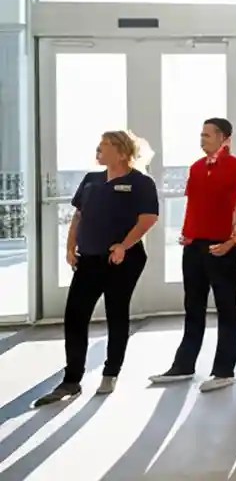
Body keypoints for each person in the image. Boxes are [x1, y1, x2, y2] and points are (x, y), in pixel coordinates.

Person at [35, 131, 159, 406]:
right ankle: (72, 379)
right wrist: (69, 248)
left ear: (121, 151)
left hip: (123, 258)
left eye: (104, 146)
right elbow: (78, 216)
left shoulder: (140, 182)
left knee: (116, 312)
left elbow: (148, 219)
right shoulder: (91, 180)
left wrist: (123, 246)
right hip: (88, 259)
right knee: (75, 315)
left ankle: (111, 371)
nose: (98, 150)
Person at [149, 118, 236, 392]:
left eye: (207, 135)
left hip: (222, 246)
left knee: (227, 306)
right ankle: (183, 365)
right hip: (194, 246)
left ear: (224, 138)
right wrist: (187, 233)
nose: (202, 139)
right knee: (193, 305)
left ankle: (224, 369)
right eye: (201, 134)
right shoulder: (195, 167)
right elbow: (193, 204)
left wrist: (232, 241)